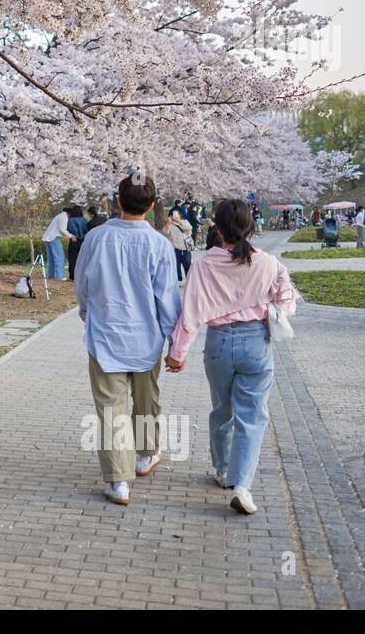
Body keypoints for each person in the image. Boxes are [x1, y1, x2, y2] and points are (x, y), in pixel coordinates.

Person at [165, 198, 296, 516]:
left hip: (219, 344)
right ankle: (242, 486)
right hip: (255, 343)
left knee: (222, 410)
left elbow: (190, 313)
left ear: (217, 227)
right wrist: (273, 310)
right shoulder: (268, 263)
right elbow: (288, 300)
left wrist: (177, 354)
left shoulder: (203, 264)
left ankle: (223, 470)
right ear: (250, 226)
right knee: (253, 416)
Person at [75, 173, 181, 506]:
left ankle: (119, 482)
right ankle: (147, 454)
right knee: (147, 398)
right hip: (147, 338)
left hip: (105, 336)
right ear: (151, 206)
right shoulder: (160, 245)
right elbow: (167, 299)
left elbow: (82, 281)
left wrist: (84, 308)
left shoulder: (96, 238)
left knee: (110, 408)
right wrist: (175, 344)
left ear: (118, 200)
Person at [42, 205, 70, 281]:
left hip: (48, 238)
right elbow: (62, 229)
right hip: (54, 238)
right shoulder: (64, 217)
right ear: (69, 212)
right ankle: (59, 276)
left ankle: (51, 275)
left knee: (51, 258)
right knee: (59, 257)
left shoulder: (59, 216)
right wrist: (71, 236)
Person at [165, 208, 193, 283]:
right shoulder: (170, 225)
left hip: (186, 248)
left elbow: (189, 228)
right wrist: (168, 223)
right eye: (173, 215)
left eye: (176, 214)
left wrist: (180, 222)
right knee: (176, 266)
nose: (174, 216)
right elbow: (165, 233)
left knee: (187, 266)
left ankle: (189, 281)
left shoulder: (185, 222)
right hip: (176, 249)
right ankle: (179, 280)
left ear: (180, 215)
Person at [66, 206, 89, 278]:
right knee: (82, 259)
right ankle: (82, 275)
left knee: (72, 259)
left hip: (73, 240)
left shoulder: (70, 220)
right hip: (83, 241)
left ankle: (72, 275)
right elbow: (87, 230)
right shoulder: (84, 220)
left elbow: (69, 230)